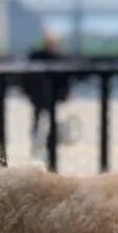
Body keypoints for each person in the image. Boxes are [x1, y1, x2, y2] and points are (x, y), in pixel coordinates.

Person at [23, 32, 72, 160]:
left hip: (49, 96)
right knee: (40, 119)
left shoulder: (54, 57)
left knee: (47, 120)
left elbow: (64, 80)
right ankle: (39, 143)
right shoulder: (52, 57)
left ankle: (48, 144)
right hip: (41, 96)